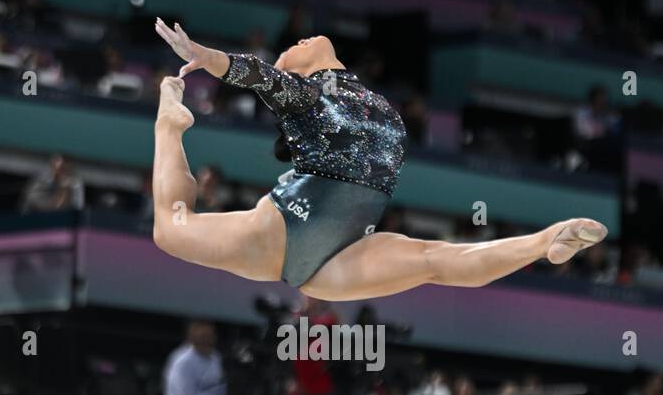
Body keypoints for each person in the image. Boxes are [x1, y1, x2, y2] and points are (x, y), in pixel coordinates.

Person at [149, 20, 607, 301]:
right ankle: (169, 122)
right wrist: (207, 58)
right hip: (294, 227)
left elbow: (273, 78)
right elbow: (262, 78)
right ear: (294, 70)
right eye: (290, 50)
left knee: (434, 261)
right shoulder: (311, 97)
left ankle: (546, 242)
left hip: (338, 255)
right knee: (168, 228)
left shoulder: (372, 101)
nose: (298, 41)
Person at [163, 320, 226, 395]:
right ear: (192, 338)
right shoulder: (182, 361)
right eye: (203, 337)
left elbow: (222, 390)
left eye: (210, 336)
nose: (207, 341)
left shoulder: (216, 358)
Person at [20, 154, 85, 212]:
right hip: (34, 217)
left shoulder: (75, 182)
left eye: (67, 168)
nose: (64, 172)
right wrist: (62, 190)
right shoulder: (42, 178)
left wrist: (66, 189)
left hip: (63, 221)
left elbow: (77, 208)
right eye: (61, 168)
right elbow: (52, 207)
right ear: (53, 167)